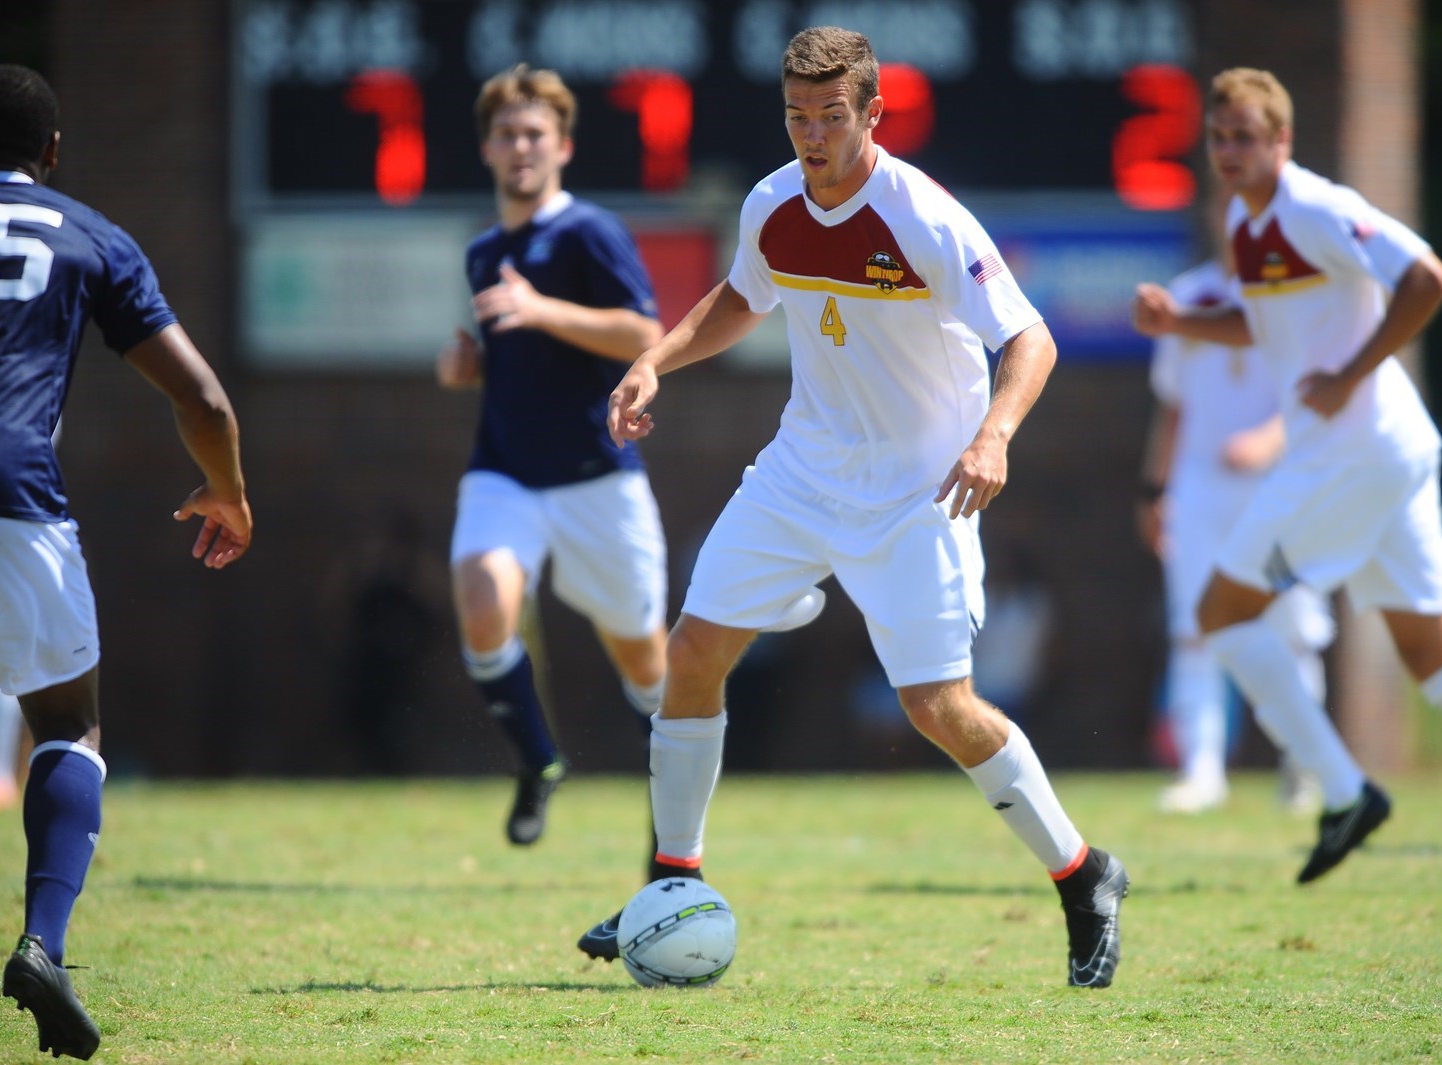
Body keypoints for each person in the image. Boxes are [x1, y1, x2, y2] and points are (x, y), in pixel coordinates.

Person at [578, 26, 1128, 989]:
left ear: (873, 112)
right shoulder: (771, 203)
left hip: (920, 495)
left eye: (832, 116)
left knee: (937, 708)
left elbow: (1028, 338)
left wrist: (993, 434)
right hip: (802, 473)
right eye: (797, 116)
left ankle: (1085, 876)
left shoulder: (922, 215)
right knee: (693, 653)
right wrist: (652, 360)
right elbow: (742, 298)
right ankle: (670, 880)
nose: (812, 135)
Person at [1131, 67, 1442, 889]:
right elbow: (1259, 323)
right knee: (1433, 656)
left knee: (1219, 612)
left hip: (1352, 453)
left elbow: (1427, 278)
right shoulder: (1245, 220)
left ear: (1283, 141)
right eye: (1218, 136)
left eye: (1245, 136)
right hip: (1384, 454)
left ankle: (1343, 793)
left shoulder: (1315, 206)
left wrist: (1350, 372)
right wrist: (1181, 322)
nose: (1228, 151)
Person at [438, 64, 821, 847]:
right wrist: (468, 365)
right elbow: (516, 354)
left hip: (596, 483)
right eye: (506, 134)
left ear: (563, 146)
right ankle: (539, 760)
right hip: (504, 470)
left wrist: (539, 309)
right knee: (481, 601)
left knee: (652, 669)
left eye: (534, 134)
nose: (520, 147)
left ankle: (669, 841)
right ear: (486, 148)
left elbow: (640, 332)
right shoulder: (484, 251)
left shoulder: (588, 232)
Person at [0, 64, 253, 1060]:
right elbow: (205, 402)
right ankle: (43, 946)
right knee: (66, 721)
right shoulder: (90, 235)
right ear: (52, 154)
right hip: (13, 493)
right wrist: (227, 491)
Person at [1137, 222, 1333, 815]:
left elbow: (1313, 396)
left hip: (1276, 490)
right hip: (1199, 490)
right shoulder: (1187, 295)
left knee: (1291, 627)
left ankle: (1303, 761)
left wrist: (1267, 441)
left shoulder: (1295, 297)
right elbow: (1172, 405)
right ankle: (1201, 769)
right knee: (1194, 627)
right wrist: (1155, 489)